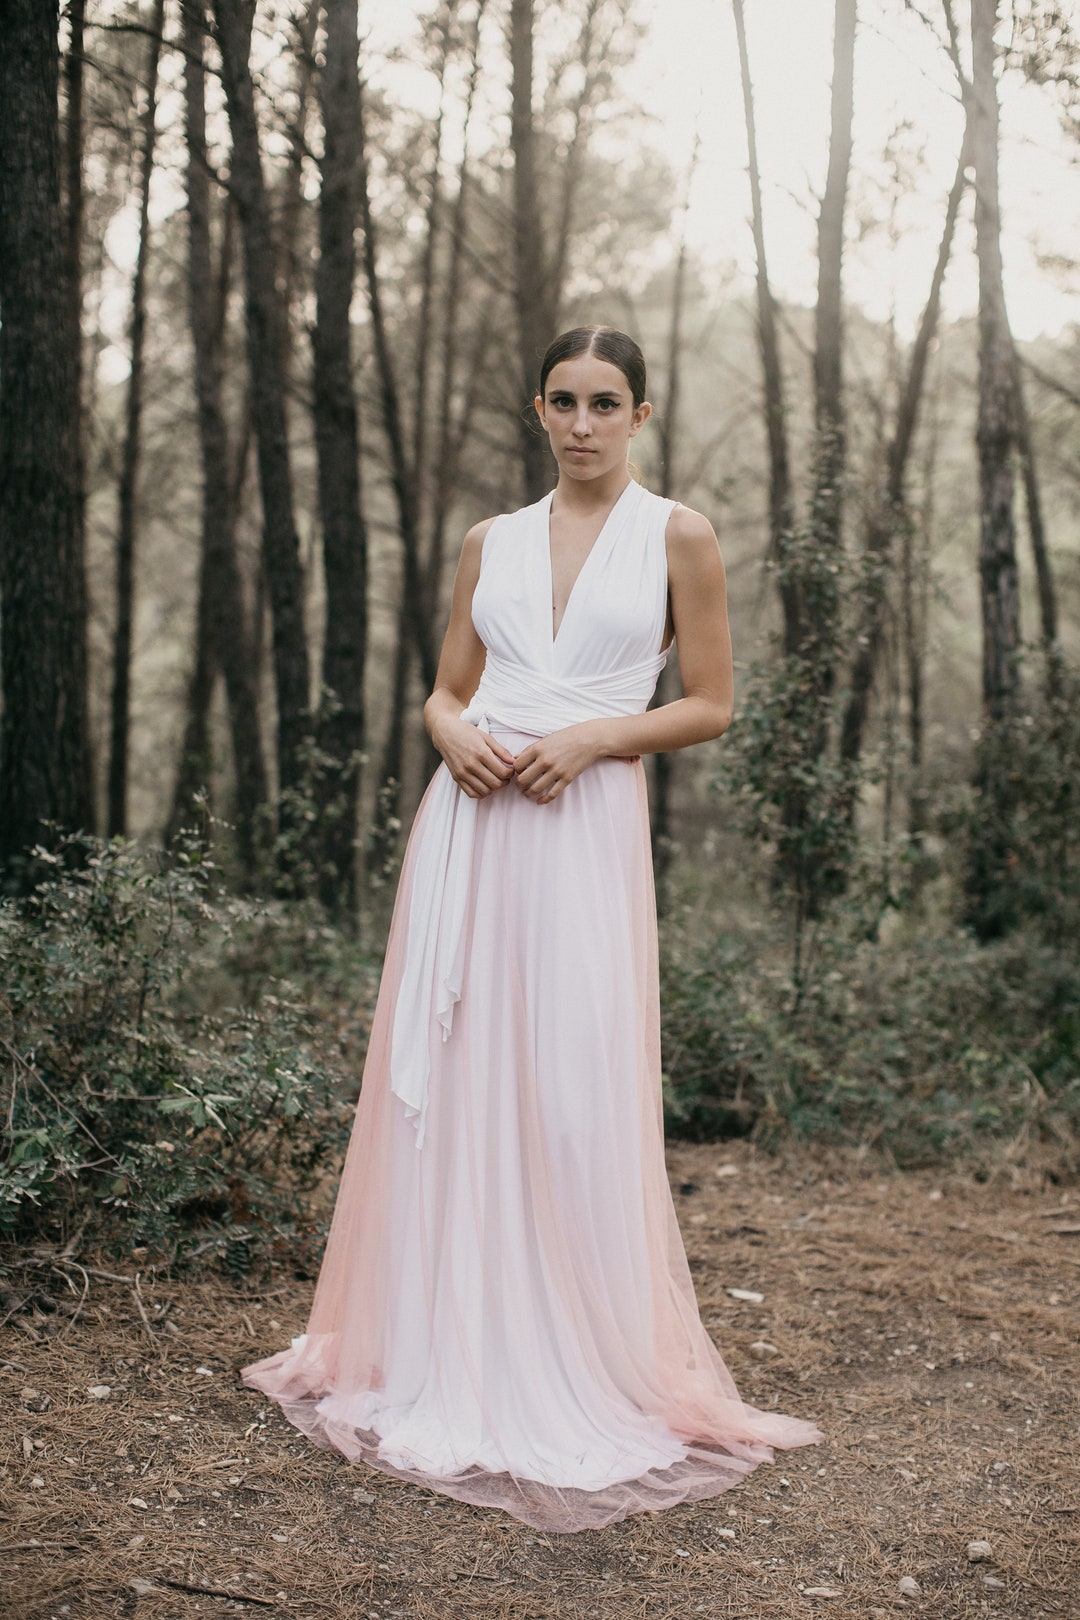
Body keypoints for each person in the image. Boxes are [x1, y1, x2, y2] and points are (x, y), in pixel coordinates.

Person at [242, 325, 822, 1532]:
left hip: (581, 828)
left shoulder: (680, 536)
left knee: (568, 1081)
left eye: (606, 402)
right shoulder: (487, 541)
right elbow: (447, 687)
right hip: (471, 831)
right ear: (538, 409)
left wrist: (594, 737)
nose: (582, 422)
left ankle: (574, 1344)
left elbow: (711, 703)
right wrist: (448, 730)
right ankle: (447, 1338)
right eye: (563, 400)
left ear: (640, 416)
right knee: (457, 1076)